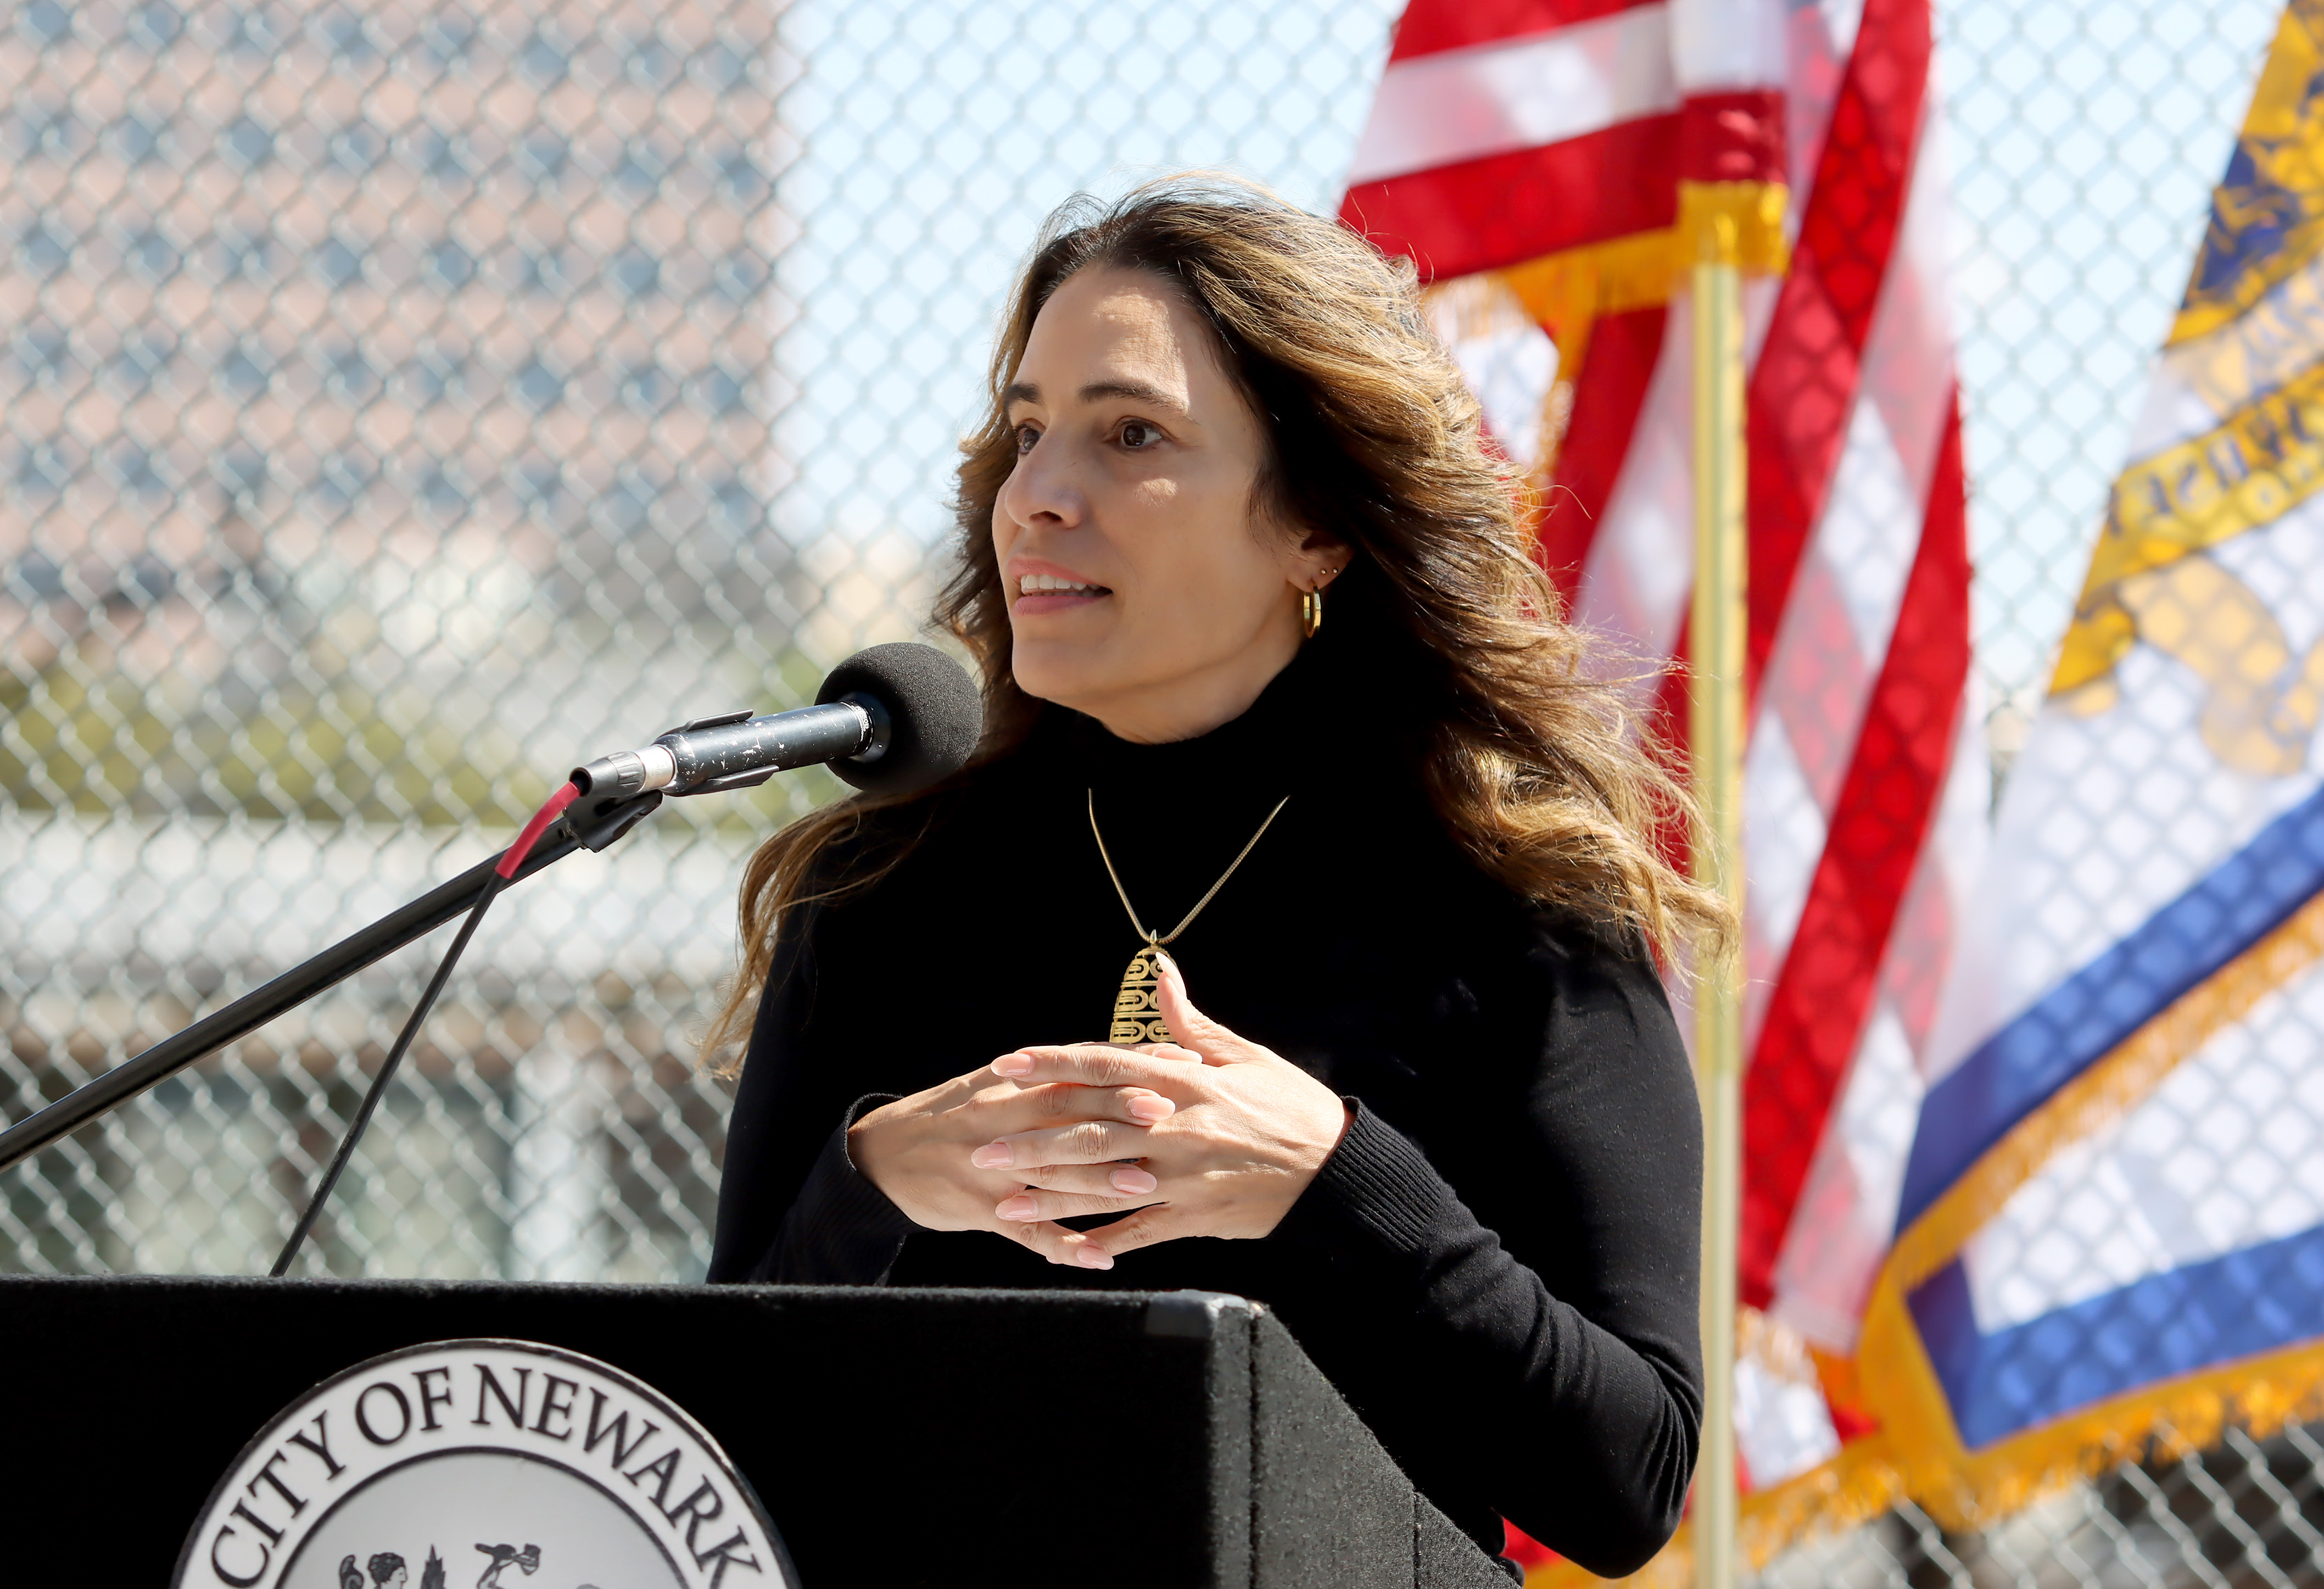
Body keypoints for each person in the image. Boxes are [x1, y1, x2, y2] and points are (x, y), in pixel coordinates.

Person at [705, 175, 1729, 1577]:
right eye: (1026, 433)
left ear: (1312, 524)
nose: (1038, 499)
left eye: (1130, 434)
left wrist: (1334, 1182)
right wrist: (876, 1181)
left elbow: (1629, 1476)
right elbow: (714, 1432)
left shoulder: (1508, 902)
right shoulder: (882, 893)